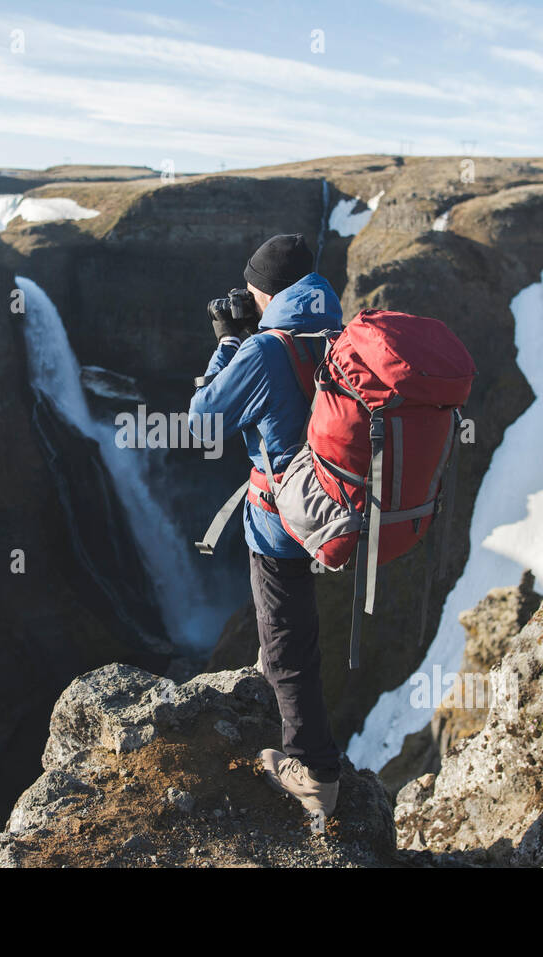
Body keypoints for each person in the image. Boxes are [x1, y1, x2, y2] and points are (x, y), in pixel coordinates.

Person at [188, 233, 344, 816]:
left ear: (265, 291)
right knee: (289, 629)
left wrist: (229, 343)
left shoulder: (266, 350)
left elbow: (203, 423)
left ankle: (315, 771)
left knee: (288, 643)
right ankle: (273, 667)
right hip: (335, 508)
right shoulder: (339, 333)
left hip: (282, 523)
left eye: (252, 290)